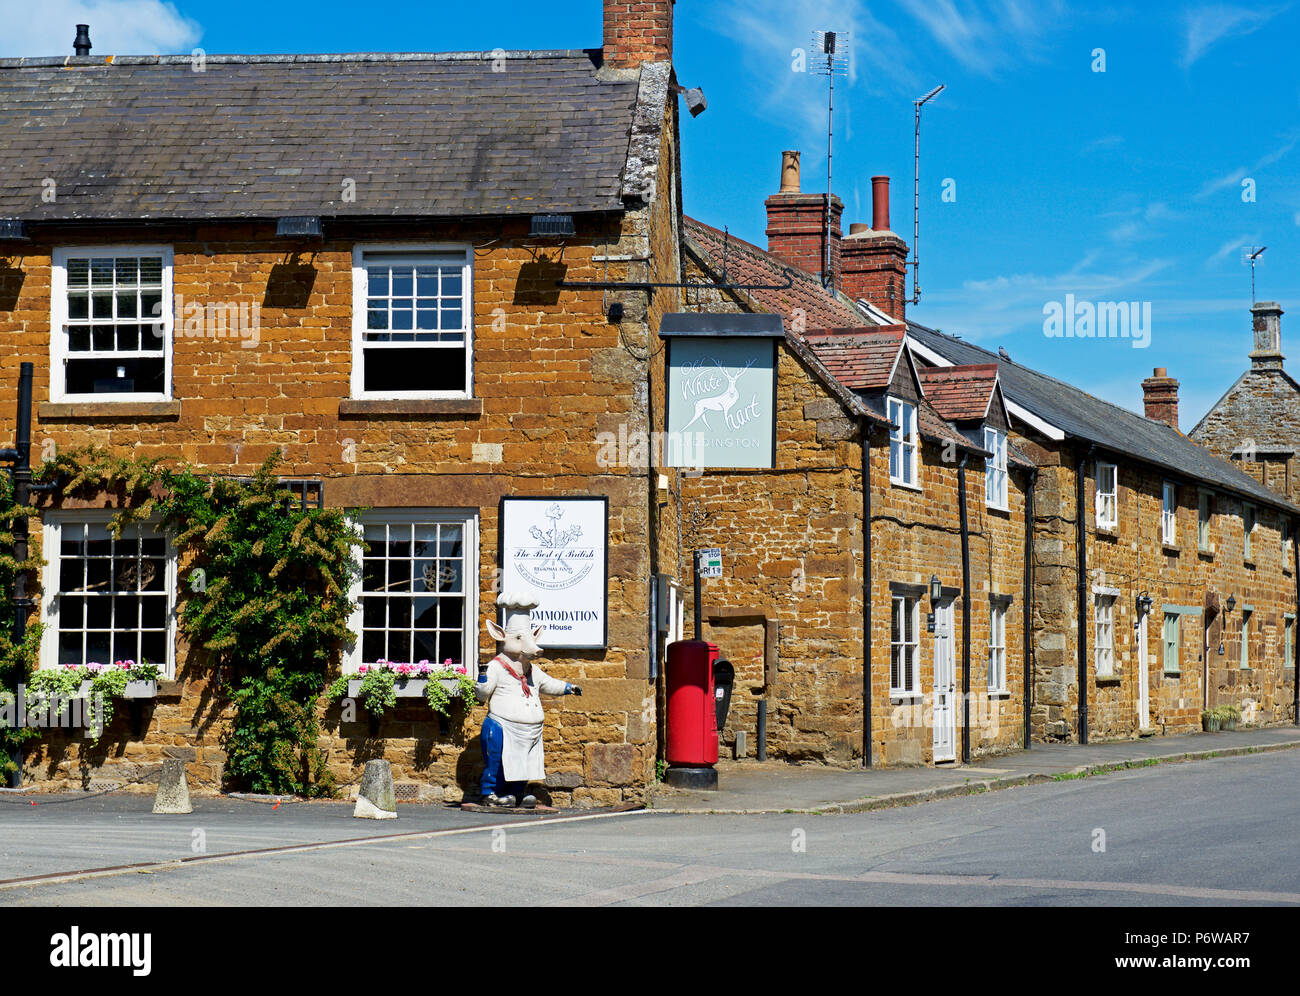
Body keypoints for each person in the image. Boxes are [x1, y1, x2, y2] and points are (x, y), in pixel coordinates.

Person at [477, 592, 582, 807]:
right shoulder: (496, 666)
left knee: (523, 763)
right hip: (502, 725)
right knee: (497, 760)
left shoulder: (531, 669)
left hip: (529, 730)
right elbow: (483, 694)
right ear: (500, 635)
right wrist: (482, 679)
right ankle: (490, 793)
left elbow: (548, 683)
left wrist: (568, 688)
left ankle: (517, 793)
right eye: (518, 639)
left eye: (529, 638)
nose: (528, 644)